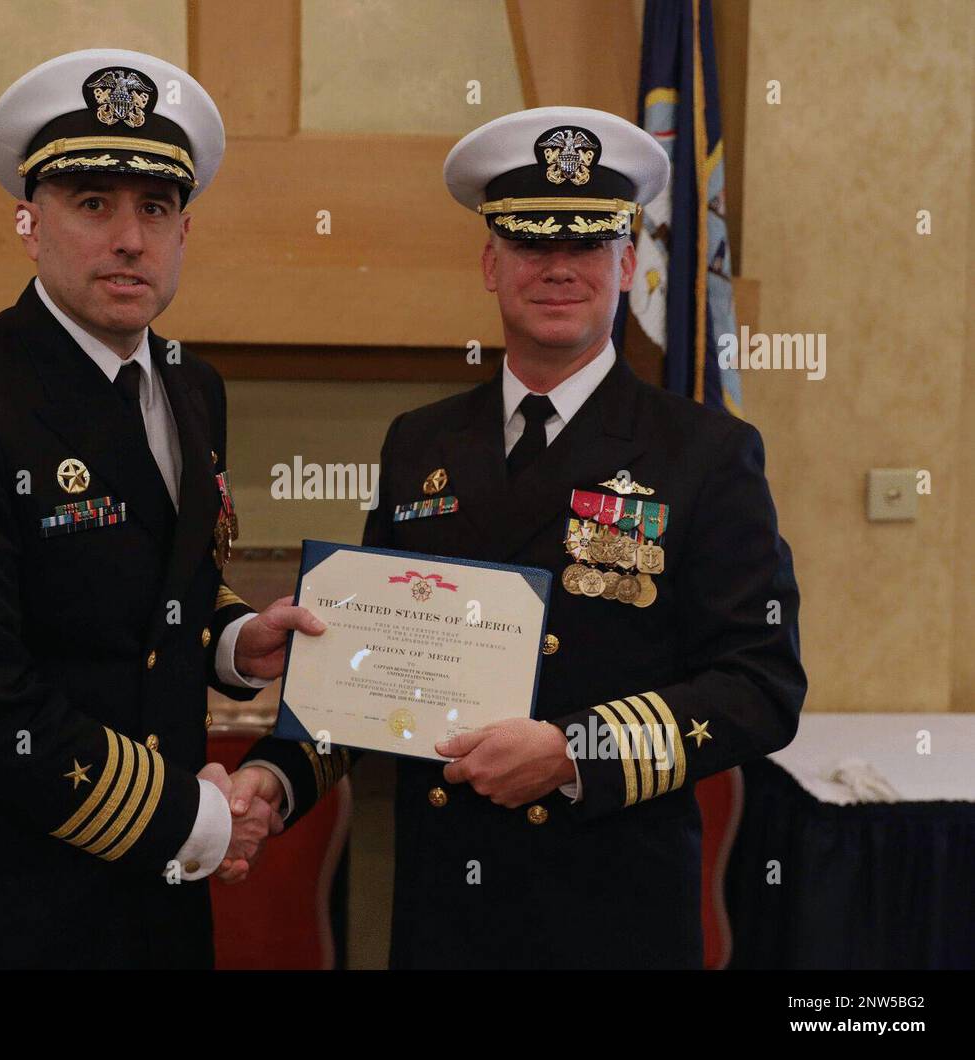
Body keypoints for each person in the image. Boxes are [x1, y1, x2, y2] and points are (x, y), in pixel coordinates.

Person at [232, 106, 806, 968]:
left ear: (625, 261)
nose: (559, 268)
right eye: (534, 243)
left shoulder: (704, 452)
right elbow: (366, 667)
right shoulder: (420, 443)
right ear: (491, 263)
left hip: (611, 909)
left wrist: (571, 753)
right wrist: (273, 779)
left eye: (587, 243)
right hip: (442, 910)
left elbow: (761, 684)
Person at [0, 48, 322, 969]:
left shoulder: (194, 388)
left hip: (161, 914)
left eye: (155, 208)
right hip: (5, 912)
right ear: (29, 223)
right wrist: (198, 817)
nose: (130, 239)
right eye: (92, 204)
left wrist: (233, 642)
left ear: (185, 229)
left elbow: (152, 590)